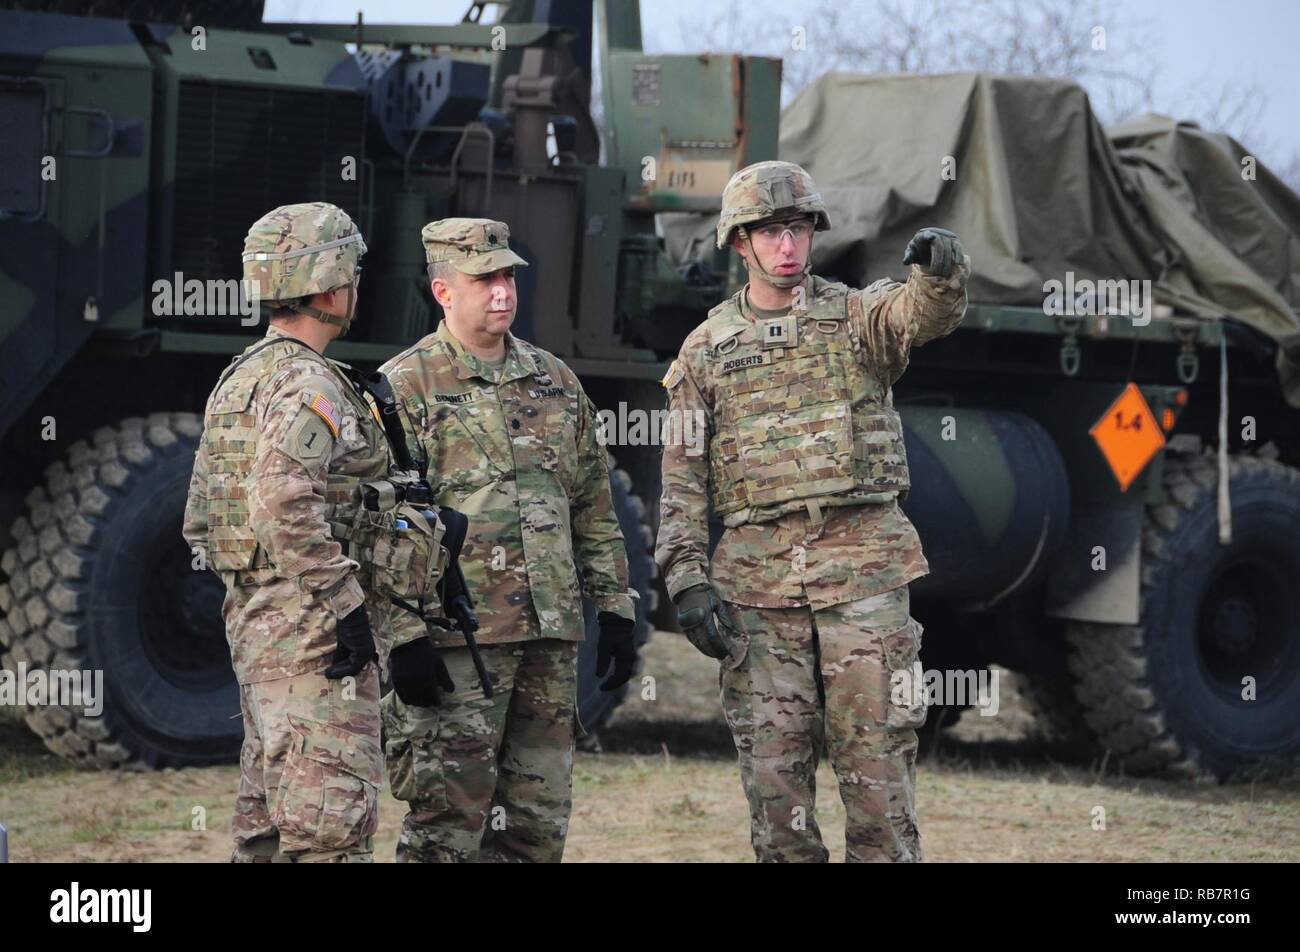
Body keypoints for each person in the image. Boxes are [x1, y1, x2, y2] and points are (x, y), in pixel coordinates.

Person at [656, 161, 970, 862]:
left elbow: (920, 315)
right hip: (758, 591)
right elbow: (681, 481)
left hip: (862, 576)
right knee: (775, 788)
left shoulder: (857, 318)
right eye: (770, 232)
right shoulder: (704, 352)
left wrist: (939, 275)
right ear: (741, 243)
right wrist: (686, 578)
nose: (788, 245)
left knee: (879, 778)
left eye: (797, 228)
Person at [183, 202, 454, 862]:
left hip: (259, 630)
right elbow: (280, 500)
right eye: (353, 272)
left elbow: (201, 518)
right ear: (333, 285)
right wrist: (346, 604)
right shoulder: (312, 385)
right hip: (316, 643)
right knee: (329, 831)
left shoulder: (240, 378)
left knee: (267, 828)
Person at [378, 217, 639, 862]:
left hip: (548, 641)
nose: (503, 291)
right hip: (459, 645)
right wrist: (403, 636)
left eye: (508, 276)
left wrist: (614, 609)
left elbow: (593, 506)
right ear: (443, 290)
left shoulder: (555, 382)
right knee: (447, 827)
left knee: (535, 827)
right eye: (484, 278)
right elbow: (384, 525)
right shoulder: (403, 388)